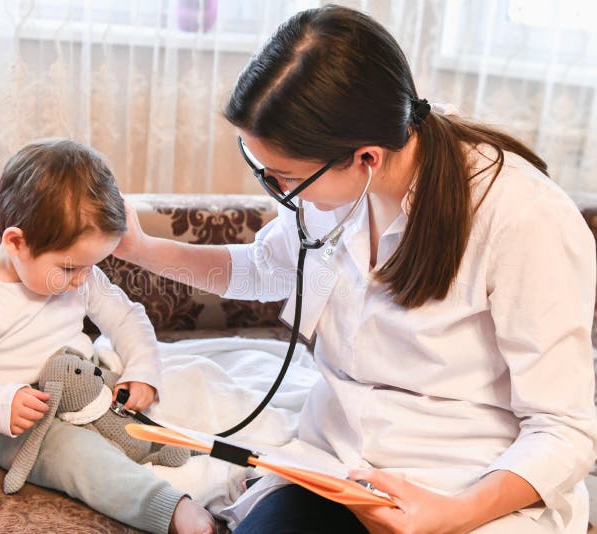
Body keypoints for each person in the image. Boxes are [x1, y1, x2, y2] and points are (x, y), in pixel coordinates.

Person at [112, 5, 597, 533]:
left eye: (284, 177)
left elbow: (565, 428)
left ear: (367, 158)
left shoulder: (524, 218)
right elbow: (265, 268)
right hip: (335, 469)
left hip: (465, 488)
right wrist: (138, 249)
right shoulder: (329, 189)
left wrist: (450, 514)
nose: (279, 192)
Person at [0, 139, 215, 534]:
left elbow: (127, 318)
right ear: (16, 242)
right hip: (21, 424)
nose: (81, 280)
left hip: (85, 389)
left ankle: (217, 468)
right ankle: (167, 507)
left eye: (91, 267)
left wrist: (143, 370)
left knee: (185, 395)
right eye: (71, 268)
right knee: (77, 456)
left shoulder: (83, 276)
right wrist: (1, 403)